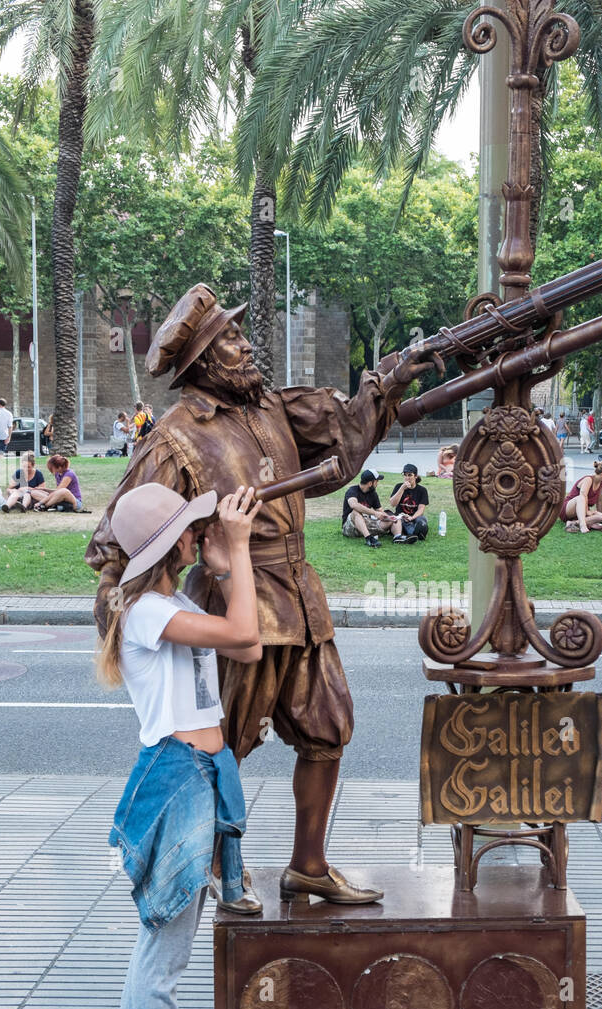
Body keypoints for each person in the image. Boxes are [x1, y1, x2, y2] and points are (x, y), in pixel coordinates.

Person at [87, 282, 438, 907]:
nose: (246, 346)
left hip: (299, 596)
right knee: (223, 742)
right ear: (201, 364)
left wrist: (391, 379)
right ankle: (223, 863)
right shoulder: (175, 437)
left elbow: (345, 436)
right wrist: (121, 604)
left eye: (240, 334)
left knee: (328, 729)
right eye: (230, 339)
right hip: (234, 594)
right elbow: (120, 533)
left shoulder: (270, 408)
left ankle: (308, 863)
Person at [101, 481, 262, 1009]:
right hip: (176, 775)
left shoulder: (170, 600)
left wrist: (223, 570)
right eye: (192, 531)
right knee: (167, 945)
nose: (202, 535)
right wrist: (241, 553)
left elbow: (246, 647)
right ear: (168, 544)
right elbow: (246, 629)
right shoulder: (144, 611)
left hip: (200, 773)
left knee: (159, 934)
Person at [342, 469, 407, 546]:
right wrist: (375, 513)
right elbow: (354, 505)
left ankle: (397, 537)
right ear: (370, 483)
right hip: (350, 527)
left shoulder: (373, 494)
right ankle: (369, 538)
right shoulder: (352, 490)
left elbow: (380, 512)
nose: (377, 483)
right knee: (355, 511)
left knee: (393, 518)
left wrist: (390, 518)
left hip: (366, 525)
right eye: (376, 481)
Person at [562, 457, 602, 532]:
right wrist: (587, 511)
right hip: (568, 509)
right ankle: (583, 525)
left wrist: (599, 518)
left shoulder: (601, 483)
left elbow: (599, 501)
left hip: (580, 513)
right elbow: (583, 496)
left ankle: (573, 523)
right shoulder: (588, 479)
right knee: (581, 497)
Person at [388, 462, 430, 541]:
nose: (407, 478)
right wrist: (402, 489)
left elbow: (421, 509)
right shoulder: (398, 486)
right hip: (402, 516)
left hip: (415, 516)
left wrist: (412, 517)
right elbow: (393, 504)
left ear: (416, 476)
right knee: (405, 523)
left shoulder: (422, 490)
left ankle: (418, 530)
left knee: (421, 520)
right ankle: (415, 533)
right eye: (405, 475)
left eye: (410, 475)